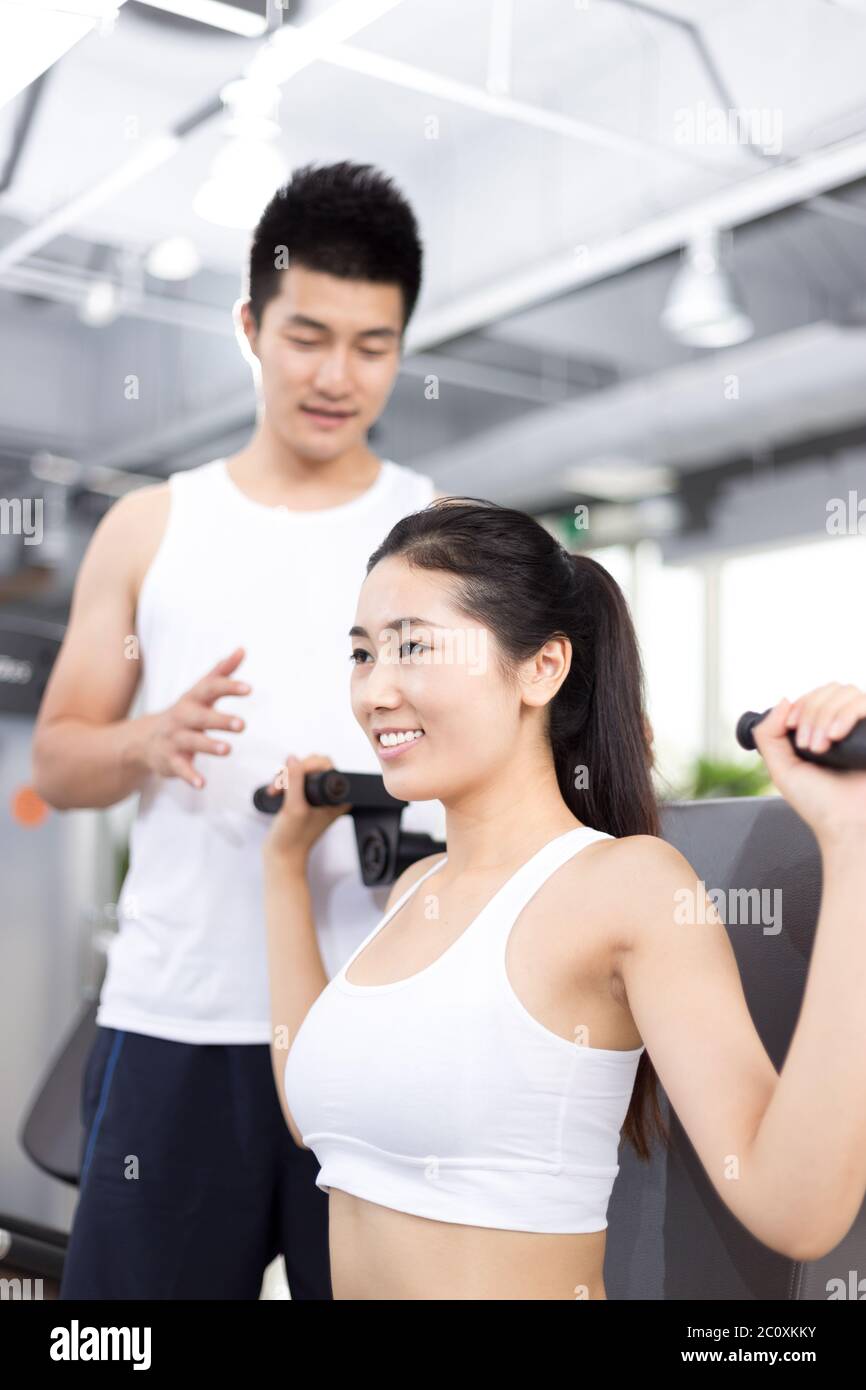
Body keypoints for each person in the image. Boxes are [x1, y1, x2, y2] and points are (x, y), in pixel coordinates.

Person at [261, 496, 866, 1300]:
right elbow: (317, 1119)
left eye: (414, 647)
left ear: (542, 667)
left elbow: (797, 1211)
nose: (375, 691)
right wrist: (281, 870)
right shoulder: (417, 891)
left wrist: (854, 846)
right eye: (364, 653)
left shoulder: (626, 886)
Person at [32, 160, 448, 1300]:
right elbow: (58, 760)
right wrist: (147, 739)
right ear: (249, 326)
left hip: (374, 1025)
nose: (335, 375)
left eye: (371, 345)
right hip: (175, 1020)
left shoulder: (436, 533)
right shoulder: (150, 526)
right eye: (306, 335)